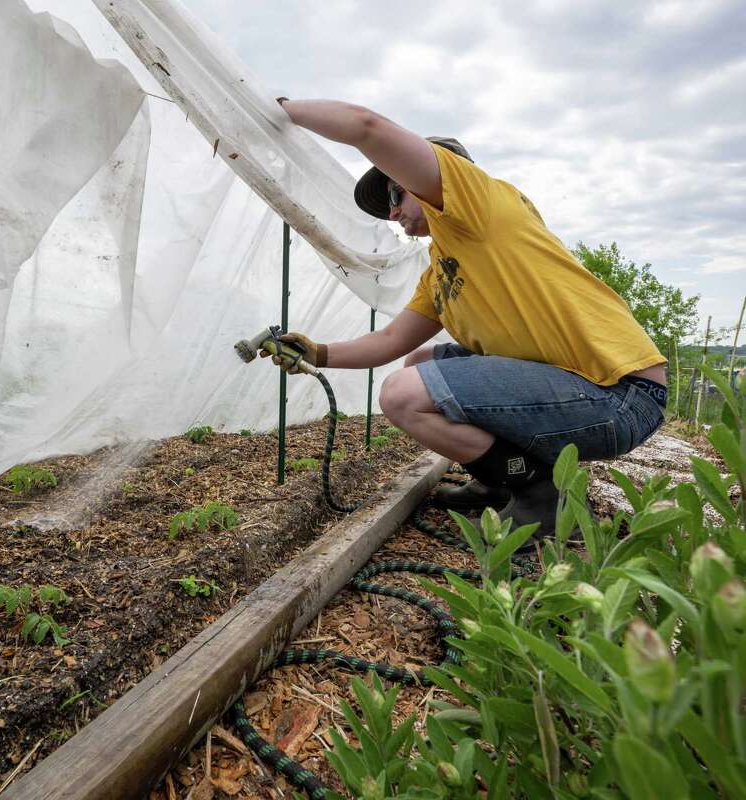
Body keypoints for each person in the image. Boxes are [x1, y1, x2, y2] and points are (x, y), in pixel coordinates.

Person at [265, 99, 667, 537]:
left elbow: (367, 127)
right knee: (419, 364)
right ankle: (501, 481)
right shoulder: (444, 264)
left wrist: (280, 109)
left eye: (395, 194)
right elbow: (390, 341)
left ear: (435, 176)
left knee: (401, 396)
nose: (392, 212)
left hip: (618, 396)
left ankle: (540, 495)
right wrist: (317, 353)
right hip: (577, 391)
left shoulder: (478, 201)